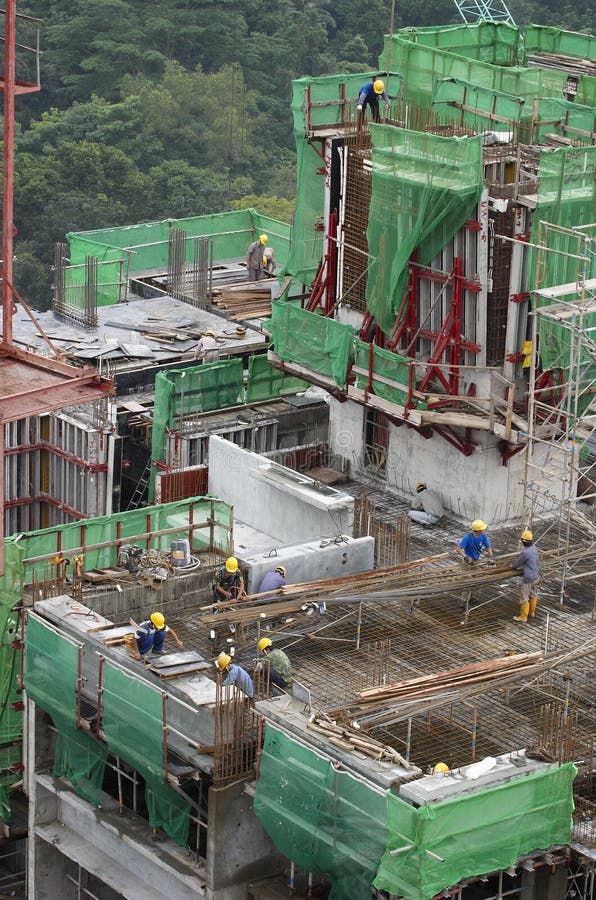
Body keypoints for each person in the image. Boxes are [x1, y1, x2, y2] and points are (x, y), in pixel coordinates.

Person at [511, 529, 540, 623]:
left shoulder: (525, 552)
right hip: (537, 575)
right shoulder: (534, 548)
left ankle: (523, 617)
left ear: (523, 541)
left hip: (529, 578)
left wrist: (512, 567)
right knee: (533, 594)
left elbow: (517, 563)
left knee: (524, 597)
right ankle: (531, 613)